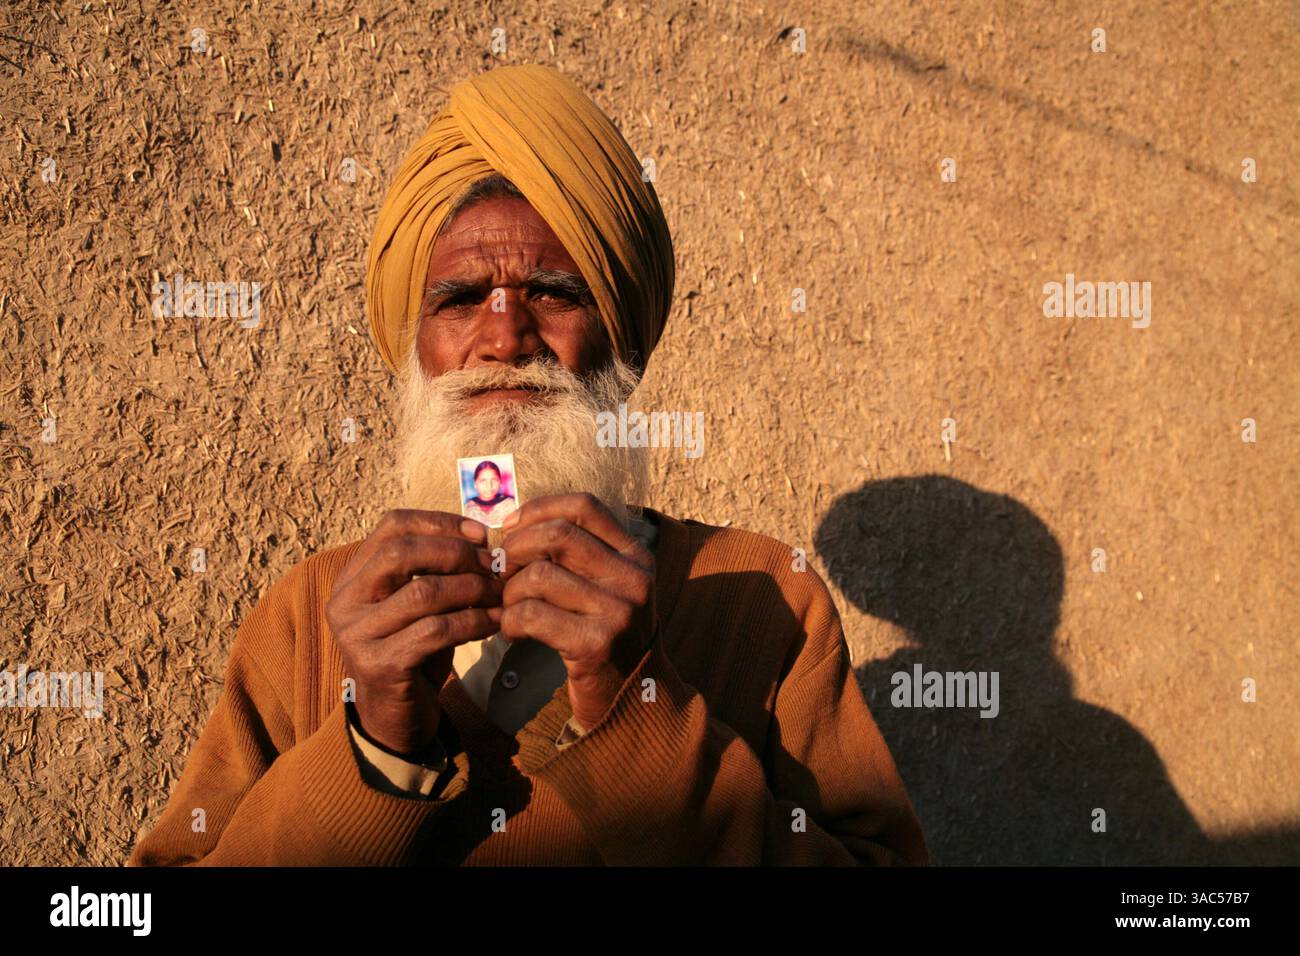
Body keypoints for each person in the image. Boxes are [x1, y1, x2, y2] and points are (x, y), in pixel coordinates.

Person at [128, 64, 927, 866]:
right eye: (460, 299)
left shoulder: (764, 597)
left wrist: (638, 711)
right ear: (416, 353)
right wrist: (370, 748)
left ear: (620, 342)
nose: (505, 339)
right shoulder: (313, 612)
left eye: (552, 293)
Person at [462, 459, 517, 526]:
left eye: (494, 480)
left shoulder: (511, 505)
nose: (489, 486)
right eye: (483, 481)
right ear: (475, 483)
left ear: (500, 482)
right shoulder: (467, 509)